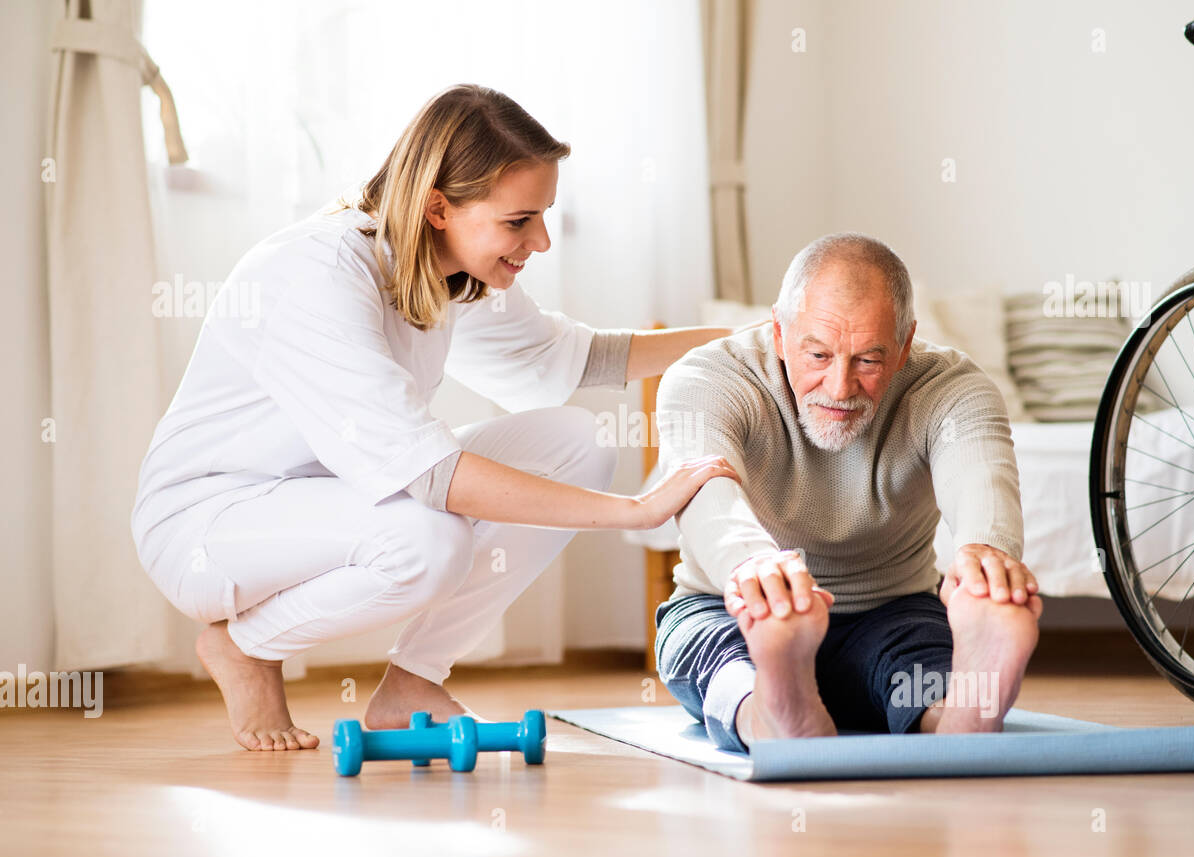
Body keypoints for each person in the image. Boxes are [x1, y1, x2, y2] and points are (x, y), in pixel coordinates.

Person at [130, 84, 744, 752]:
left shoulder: (442, 266)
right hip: (211, 519)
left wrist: (753, 339)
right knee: (429, 542)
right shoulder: (316, 273)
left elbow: (579, 358)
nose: (539, 240)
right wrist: (635, 509)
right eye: (518, 221)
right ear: (437, 207)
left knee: (576, 442)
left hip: (324, 497)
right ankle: (246, 647)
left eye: (542, 217)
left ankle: (412, 683)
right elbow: (428, 473)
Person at [653, 232, 1045, 753]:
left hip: (891, 613)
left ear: (905, 343)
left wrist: (984, 558)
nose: (839, 387)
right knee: (719, 660)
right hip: (733, 609)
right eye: (817, 354)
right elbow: (708, 496)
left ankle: (960, 718)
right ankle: (770, 709)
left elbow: (980, 474)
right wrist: (756, 572)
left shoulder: (952, 387)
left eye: (868, 360)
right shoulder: (706, 378)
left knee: (919, 660)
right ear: (779, 332)